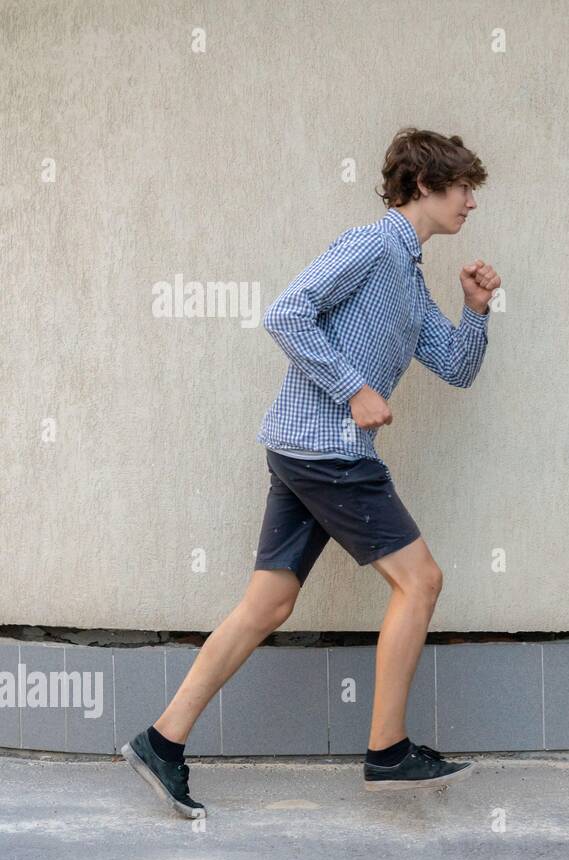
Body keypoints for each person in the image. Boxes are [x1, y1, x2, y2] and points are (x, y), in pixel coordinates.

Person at [120, 128, 502, 818]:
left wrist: (475, 312)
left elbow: (456, 366)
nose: (472, 201)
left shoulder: (410, 279)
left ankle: (161, 741)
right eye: (463, 186)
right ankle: (388, 754)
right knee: (422, 581)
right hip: (330, 451)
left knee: (267, 603)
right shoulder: (372, 245)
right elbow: (286, 313)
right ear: (424, 186)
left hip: (303, 449)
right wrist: (354, 387)